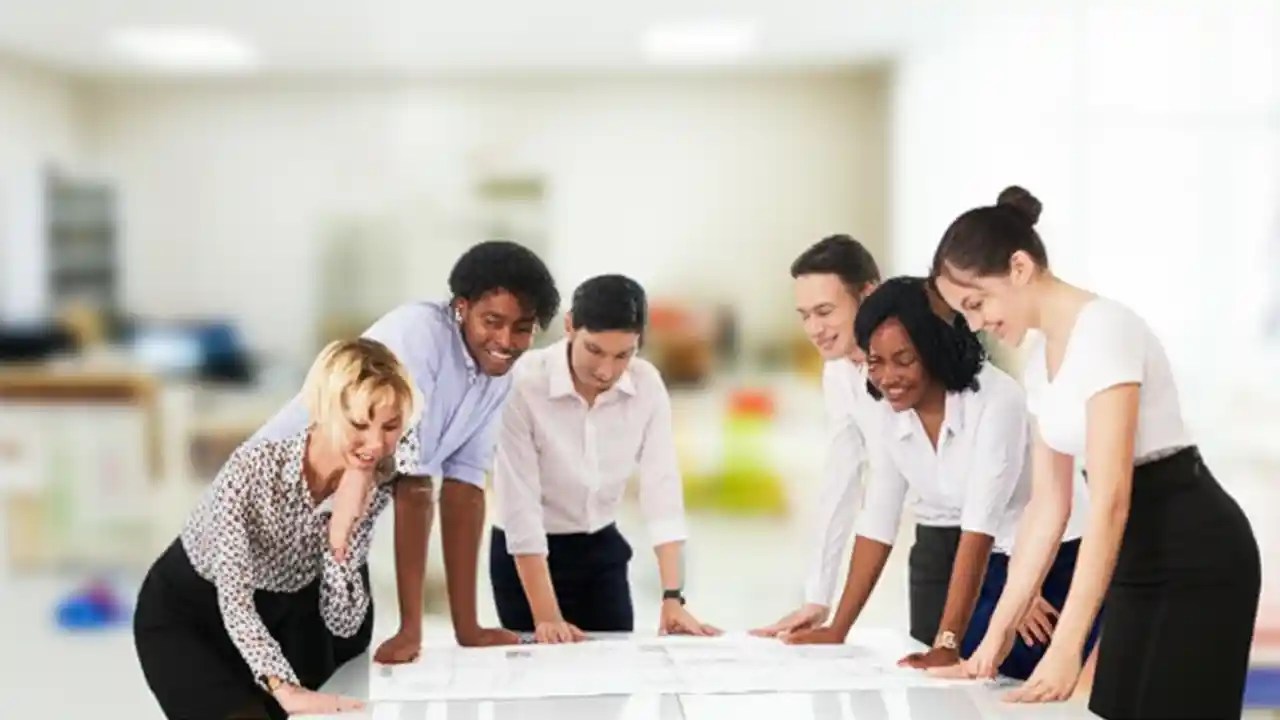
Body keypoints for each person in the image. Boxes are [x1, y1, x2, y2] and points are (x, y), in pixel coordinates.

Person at [930, 186, 1261, 718]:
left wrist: (1067, 648)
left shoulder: (1105, 329)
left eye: (976, 302)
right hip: (1134, 553)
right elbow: (1048, 507)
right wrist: (995, 638)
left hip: (1194, 547)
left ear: (1019, 267)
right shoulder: (1040, 362)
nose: (975, 323)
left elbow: (1110, 498)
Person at [253, 240, 561, 663]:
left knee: (336, 661)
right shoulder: (419, 336)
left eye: (523, 328)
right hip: (269, 501)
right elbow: (412, 484)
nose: (506, 340)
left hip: (335, 525)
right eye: (492, 321)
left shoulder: (498, 376)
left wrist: (468, 629)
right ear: (461, 307)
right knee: (283, 666)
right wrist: (410, 629)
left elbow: (464, 491)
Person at [781, 277, 1098, 680]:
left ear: (932, 350)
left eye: (904, 359)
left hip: (1059, 550)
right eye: (876, 361)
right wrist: (837, 628)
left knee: (1006, 663)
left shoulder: (994, 399)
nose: (888, 376)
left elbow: (980, 521)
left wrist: (948, 643)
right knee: (973, 664)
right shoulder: (886, 406)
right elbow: (879, 515)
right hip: (999, 556)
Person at [134, 339, 422, 719]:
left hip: (290, 609)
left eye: (390, 426)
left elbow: (343, 621)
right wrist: (283, 688)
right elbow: (233, 598)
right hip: (196, 611)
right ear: (323, 411)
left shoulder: (382, 470)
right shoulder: (254, 471)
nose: (375, 443)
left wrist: (341, 535)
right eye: (358, 424)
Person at [490, 274, 720, 641]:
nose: (606, 371)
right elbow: (520, 507)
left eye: (623, 355)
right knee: (536, 683)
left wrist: (673, 597)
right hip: (526, 557)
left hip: (600, 549)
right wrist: (547, 617)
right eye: (594, 350)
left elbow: (661, 488)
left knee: (612, 680)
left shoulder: (646, 385)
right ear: (569, 326)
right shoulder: (523, 384)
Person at [752, 234, 882, 638]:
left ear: (868, 294)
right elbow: (841, 479)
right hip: (934, 547)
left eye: (825, 311)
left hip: (1003, 542)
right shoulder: (840, 372)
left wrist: (1015, 566)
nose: (814, 329)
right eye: (804, 315)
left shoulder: (922, 360)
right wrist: (818, 596)